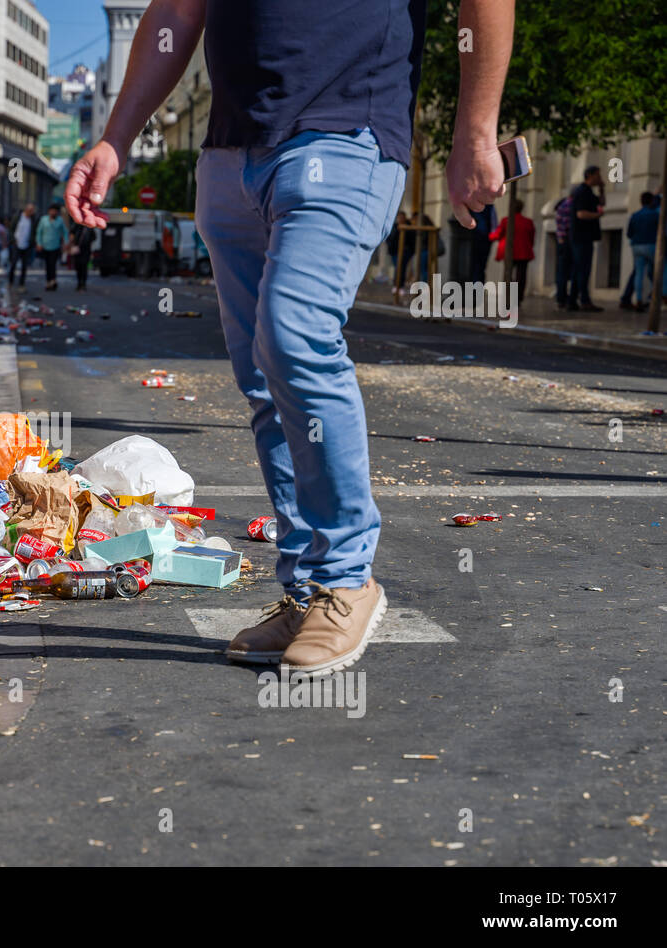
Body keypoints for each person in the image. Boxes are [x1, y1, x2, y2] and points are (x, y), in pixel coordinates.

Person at [65, 0, 512, 675]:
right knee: (263, 377)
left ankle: (346, 579)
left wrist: (477, 130)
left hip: (346, 133)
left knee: (294, 337)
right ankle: (306, 591)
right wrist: (116, 136)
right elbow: (177, 13)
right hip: (231, 152)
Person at [569, 165, 605, 311]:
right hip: (581, 236)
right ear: (590, 175)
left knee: (580, 269)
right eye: (598, 175)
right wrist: (597, 215)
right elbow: (581, 214)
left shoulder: (588, 191)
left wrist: (602, 189)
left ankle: (573, 300)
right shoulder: (582, 191)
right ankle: (584, 300)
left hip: (584, 236)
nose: (600, 177)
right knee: (583, 269)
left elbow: (601, 203)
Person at [620, 191, 661, 311]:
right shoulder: (655, 215)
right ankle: (660, 295)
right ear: (652, 201)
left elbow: (629, 233)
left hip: (636, 246)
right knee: (658, 270)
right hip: (651, 245)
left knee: (639, 273)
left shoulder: (635, 215)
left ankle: (638, 299)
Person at [489, 198, 535, 298]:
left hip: (510, 252)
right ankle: (519, 296)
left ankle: (507, 295)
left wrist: (489, 236)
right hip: (524, 251)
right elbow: (531, 237)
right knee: (521, 275)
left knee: (508, 274)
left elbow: (497, 235)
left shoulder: (506, 220)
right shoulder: (528, 222)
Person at [35, 204, 69, 291]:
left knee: (52, 264)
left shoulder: (60, 220)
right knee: (47, 265)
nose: (53, 212)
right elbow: (39, 232)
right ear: (49, 211)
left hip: (55, 246)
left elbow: (65, 232)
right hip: (45, 246)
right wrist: (39, 243)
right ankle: (48, 281)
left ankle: (53, 281)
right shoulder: (44, 220)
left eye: (55, 211)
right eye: (52, 210)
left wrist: (66, 242)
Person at [553, 189, 575, 307]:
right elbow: (567, 225)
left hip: (562, 240)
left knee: (562, 270)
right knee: (565, 270)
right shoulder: (570, 205)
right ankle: (563, 297)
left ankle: (561, 296)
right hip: (567, 240)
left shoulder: (563, 205)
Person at [8, 203, 37, 288]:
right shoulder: (18, 217)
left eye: (32, 211)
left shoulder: (32, 219)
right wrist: (13, 240)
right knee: (13, 264)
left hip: (27, 245)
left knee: (24, 266)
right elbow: (11, 229)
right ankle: (10, 281)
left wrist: (32, 241)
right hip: (17, 244)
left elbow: (34, 231)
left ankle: (22, 283)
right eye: (30, 210)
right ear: (26, 210)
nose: (31, 212)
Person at [468, 205, 497, 283]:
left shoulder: (471, 205)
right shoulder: (490, 207)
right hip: (483, 240)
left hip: (475, 239)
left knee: (474, 266)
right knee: (480, 267)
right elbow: (494, 227)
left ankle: (475, 288)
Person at [70, 218, 96, 291]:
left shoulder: (89, 227)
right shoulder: (76, 225)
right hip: (77, 249)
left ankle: (83, 283)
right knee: (78, 266)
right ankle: (79, 283)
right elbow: (71, 233)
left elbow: (94, 237)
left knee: (84, 266)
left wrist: (88, 242)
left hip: (86, 250)